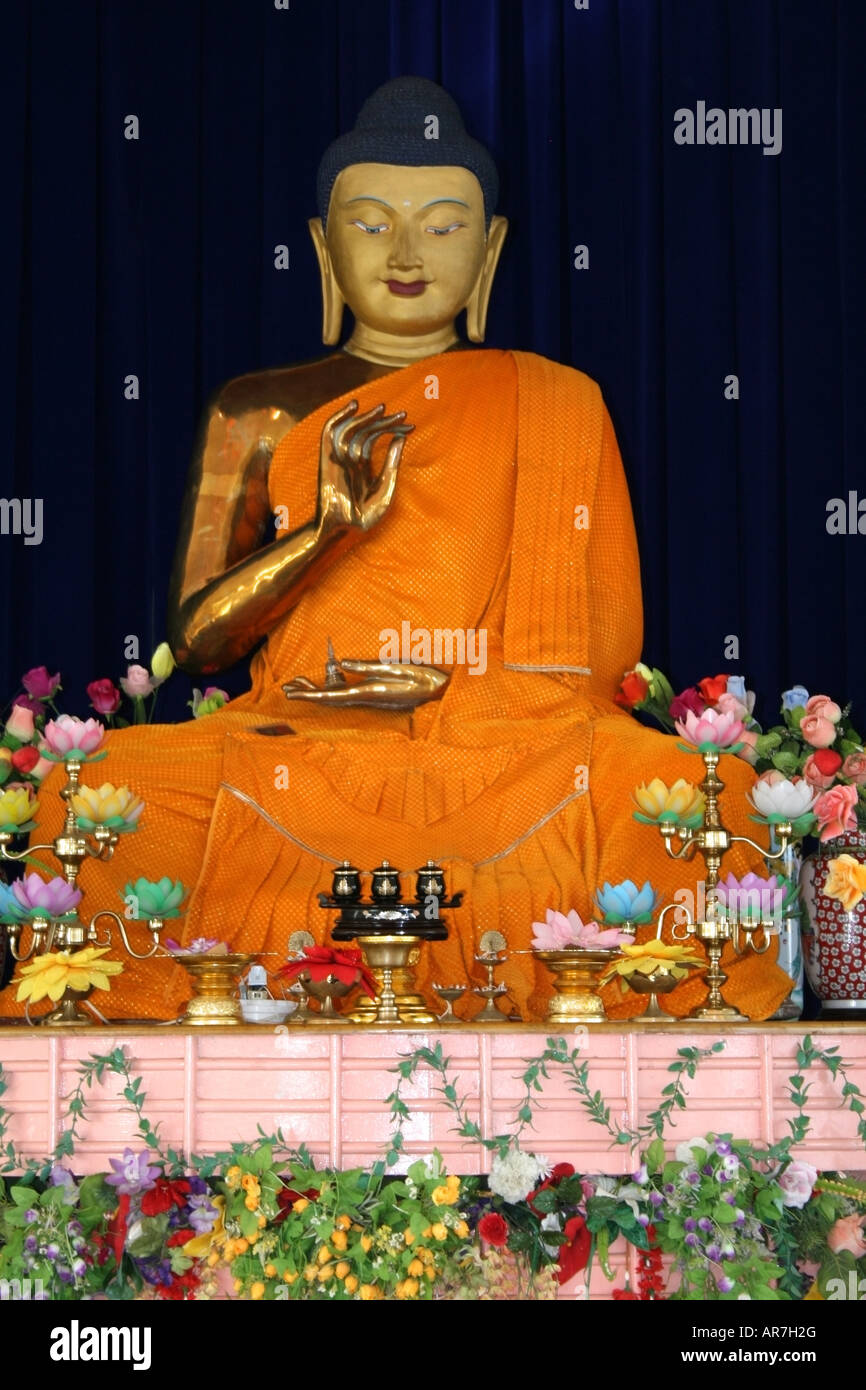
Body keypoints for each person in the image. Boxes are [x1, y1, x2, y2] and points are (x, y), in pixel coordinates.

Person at [0, 78, 790, 1022]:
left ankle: (608, 1007)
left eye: (445, 225)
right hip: (300, 738)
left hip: (516, 743)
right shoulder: (260, 409)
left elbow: (606, 642)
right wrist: (329, 531)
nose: (407, 254)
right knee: (92, 796)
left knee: (700, 797)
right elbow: (203, 639)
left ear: (491, 249)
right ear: (323, 245)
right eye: (372, 225)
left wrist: (458, 685)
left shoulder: (558, 401)